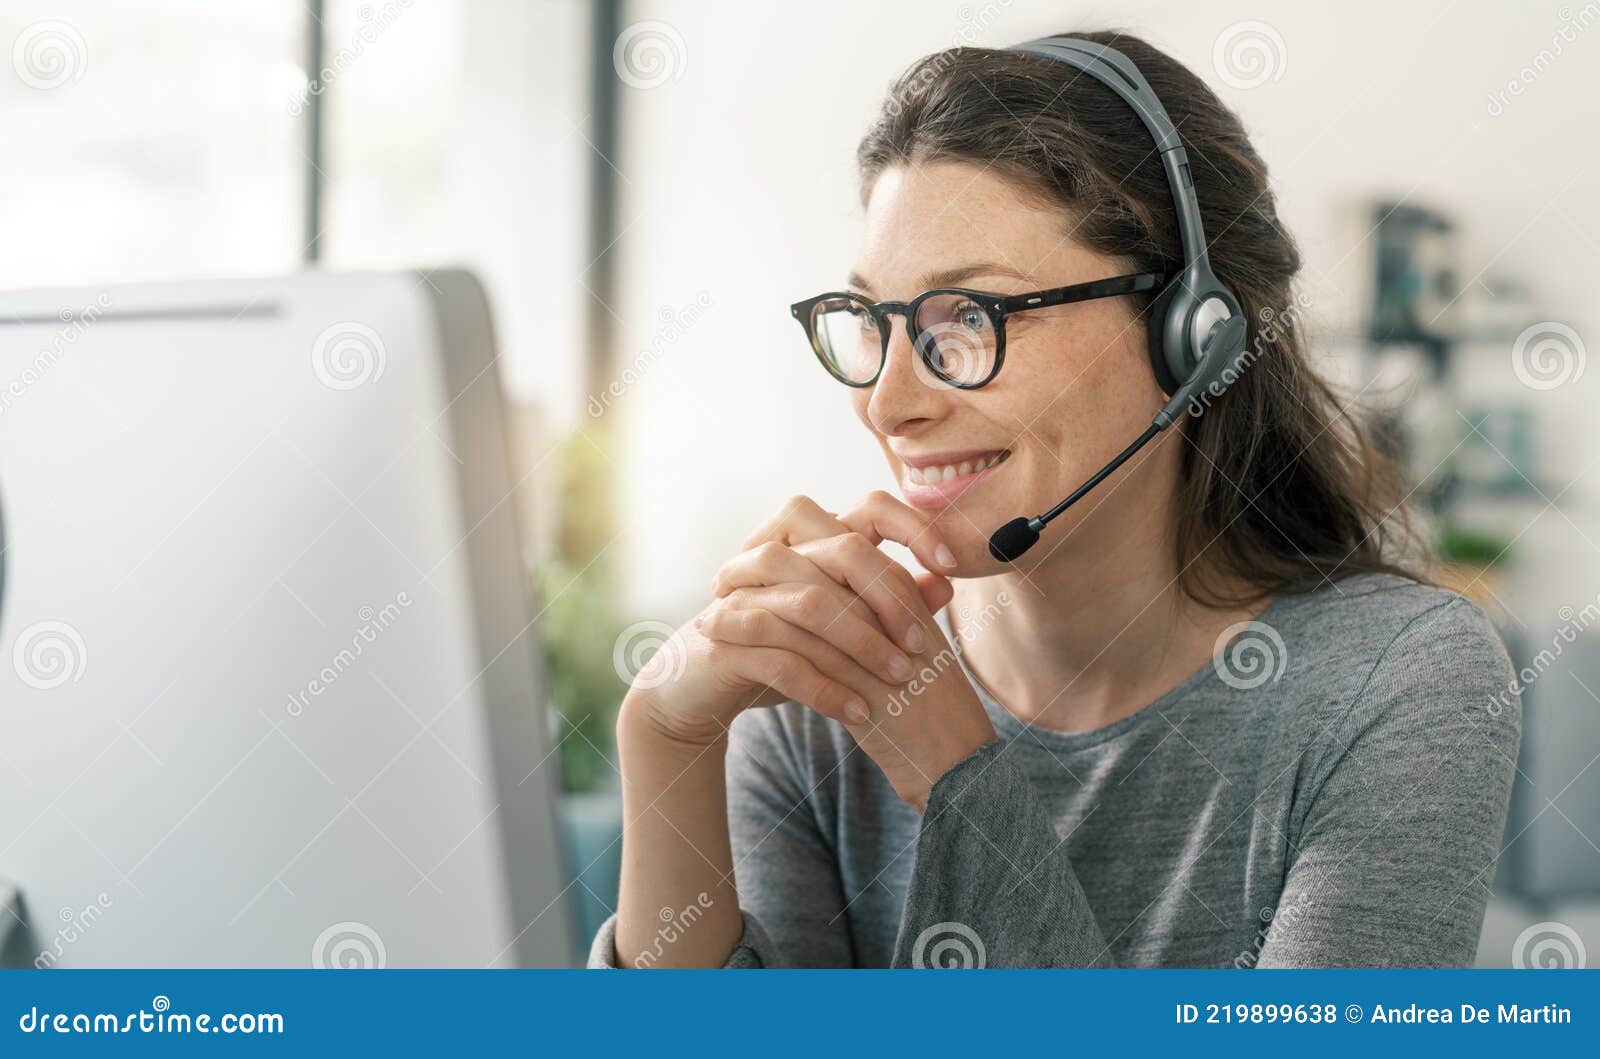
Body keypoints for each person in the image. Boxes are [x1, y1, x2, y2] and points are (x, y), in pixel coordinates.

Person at [590, 29, 1520, 969]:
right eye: (875, 321)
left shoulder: (1396, 682)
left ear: (1190, 341)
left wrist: (963, 786)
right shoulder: (822, 686)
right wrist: (665, 740)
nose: (891, 402)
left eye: (972, 317)